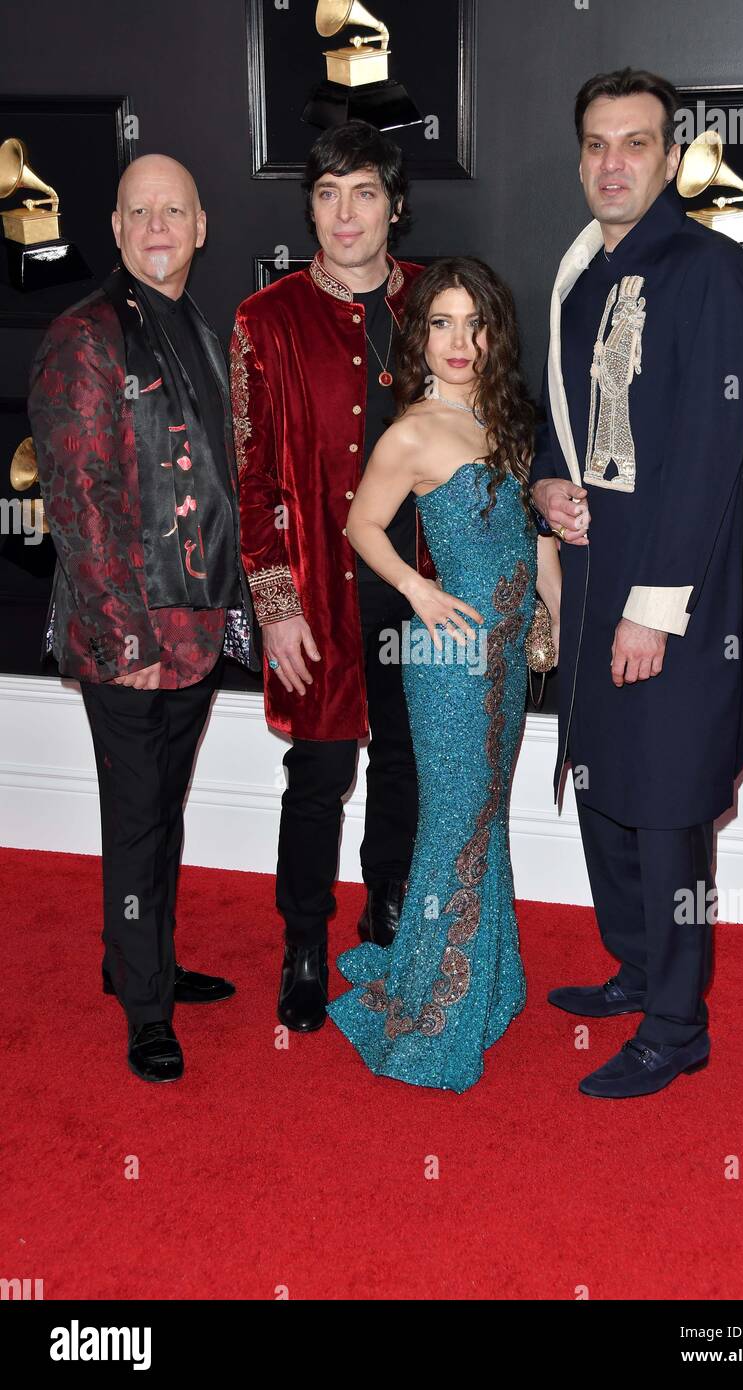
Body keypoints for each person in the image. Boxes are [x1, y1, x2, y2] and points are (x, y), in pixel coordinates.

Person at [531, 68, 743, 1099]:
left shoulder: (708, 270)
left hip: (670, 596)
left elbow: (710, 454)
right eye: (594, 143)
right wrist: (544, 483)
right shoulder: (580, 275)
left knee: (663, 807)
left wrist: (653, 608)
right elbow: (558, 419)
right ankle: (632, 968)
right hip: (589, 579)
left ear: (668, 159)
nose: (610, 162)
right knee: (603, 790)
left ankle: (677, 1027)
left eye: (632, 143)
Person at [28, 154, 258, 1083]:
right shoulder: (86, 335)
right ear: (117, 230)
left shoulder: (196, 326)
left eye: (174, 210)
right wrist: (125, 640)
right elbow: (80, 504)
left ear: (201, 227)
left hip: (195, 627)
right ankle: (146, 1010)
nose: (157, 226)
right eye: (138, 212)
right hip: (127, 637)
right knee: (134, 821)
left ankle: (139, 961)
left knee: (162, 811)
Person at [326, 257, 563, 1092]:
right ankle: (434, 1013)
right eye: (442, 323)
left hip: (504, 658)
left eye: (475, 324)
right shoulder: (412, 433)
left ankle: (483, 982)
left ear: (492, 335)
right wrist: (418, 589)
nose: (460, 341)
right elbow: (361, 524)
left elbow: (532, 533)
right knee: (453, 828)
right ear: (419, 337)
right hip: (450, 661)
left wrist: (552, 611)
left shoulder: (506, 420)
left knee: (485, 819)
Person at [230, 121, 432, 1034]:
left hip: (421, 589)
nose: (345, 214)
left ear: (395, 204)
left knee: (406, 764)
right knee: (316, 773)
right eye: (326, 194)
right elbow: (252, 477)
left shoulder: (440, 305)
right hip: (315, 596)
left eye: (363, 193)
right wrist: (275, 608)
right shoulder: (264, 320)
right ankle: (303, 942)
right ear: (308, 206)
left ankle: (386, 913)